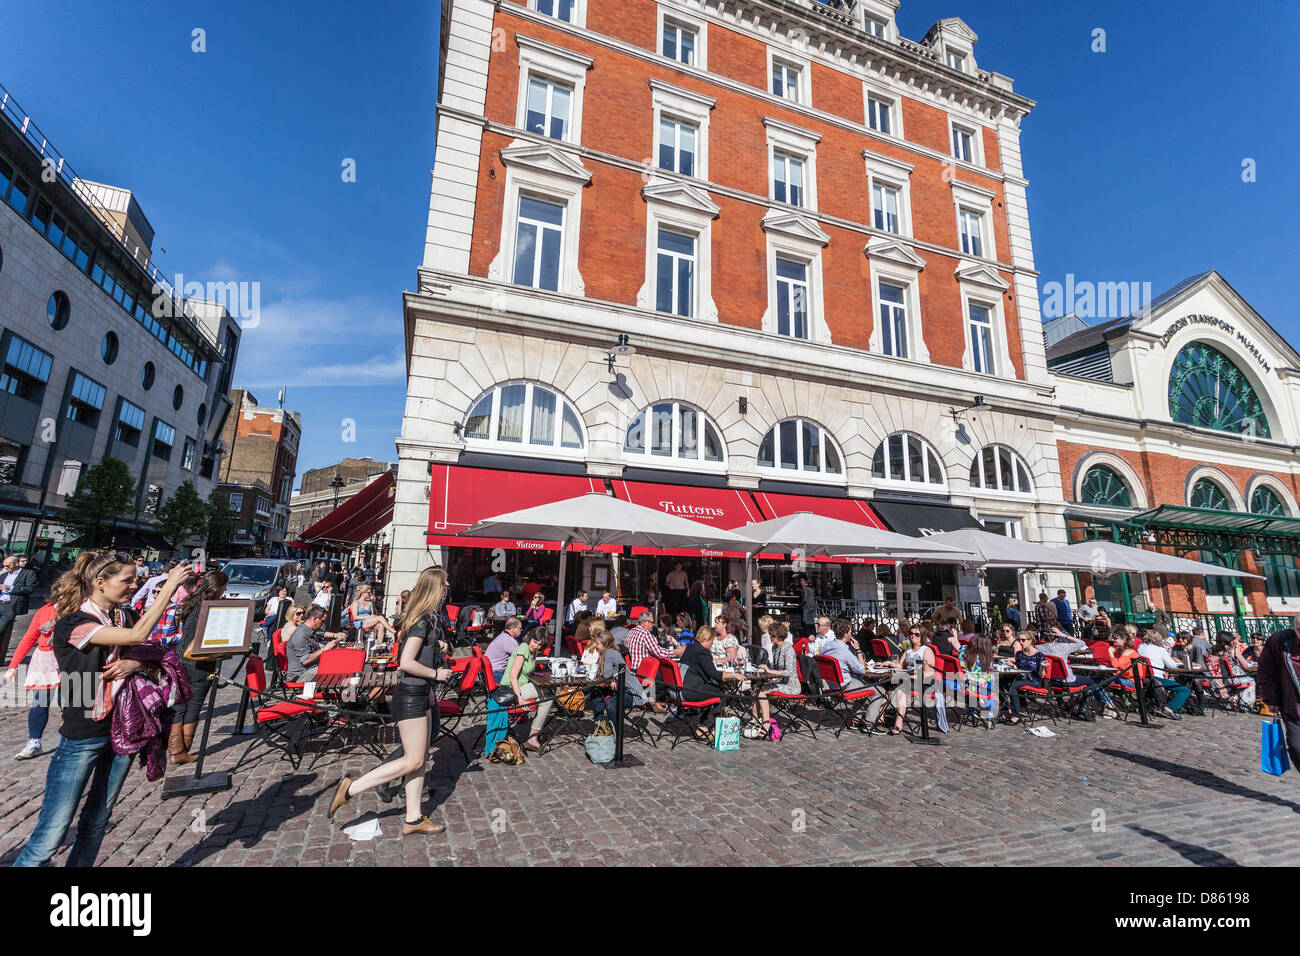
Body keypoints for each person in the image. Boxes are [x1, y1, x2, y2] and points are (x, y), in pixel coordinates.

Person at [13, 556, 190, 867]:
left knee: (96, 824)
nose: (134, 585)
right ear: (100, 583)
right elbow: (136, 638)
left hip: (123, 730)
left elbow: (153, 651)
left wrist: (136, 663)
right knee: (50, 836)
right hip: (83, 734)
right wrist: (169, 587)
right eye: (128, 580)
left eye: (136, 579)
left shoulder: (126, 615)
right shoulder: (74, 622)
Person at [329, 566, 454, 836]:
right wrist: (436, 674)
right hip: (410, 695)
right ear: (434, 587)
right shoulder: (421, 620)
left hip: (422, 692)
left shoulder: (429, 619)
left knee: (419, 761)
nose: (447, 590)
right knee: (412, 760)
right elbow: (406, 662)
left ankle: (413, 818)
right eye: (444, 585)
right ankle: (351, 788)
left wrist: (436, 659)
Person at [169, 569, 229, 764]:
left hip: (181, 658)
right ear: (217, 587)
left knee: (179, 705)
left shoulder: (192, 601)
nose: (225, 589)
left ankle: (175, 751)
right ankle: (181, 752)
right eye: (224, 586)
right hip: (201, 661)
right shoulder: (213, 606)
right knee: (194, 705)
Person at [4, 600, 61, 760]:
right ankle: (34, 742)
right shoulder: (45, 610)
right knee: (40, 700)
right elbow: (29, 637)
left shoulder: (82, 608)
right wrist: (13, 666)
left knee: (69, 701)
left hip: (70, 658)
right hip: (45, 658)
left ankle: (68, 743)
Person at [1257, 616, 1300, 768]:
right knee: (1296, 747)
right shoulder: (1281, 642)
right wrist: (1271, 699)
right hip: (1293, 707)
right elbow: (1267, 671)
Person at [744, 621, 799, 739]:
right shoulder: (774, 648)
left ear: (780, 636)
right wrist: (769, 674)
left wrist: (769, 671)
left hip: (791, 684)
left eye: (773, 636)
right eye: (770, 635)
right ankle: (754, 719)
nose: (770, 638)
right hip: (779, 681)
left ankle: (766, 723)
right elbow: (775, 668)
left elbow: (790, 672)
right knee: (756, 687)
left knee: (762, 691)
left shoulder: (789, 650)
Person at [504, 626, 553, 752]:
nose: (536, 646)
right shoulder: (523, 649)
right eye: (535, 642)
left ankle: (534, 736)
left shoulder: (533, 652)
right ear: (530, 638)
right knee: (548, 697)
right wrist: (520, 698)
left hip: (521, 685)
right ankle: (533, 737)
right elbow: (513, 676)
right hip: (511, 689)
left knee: (548, 696)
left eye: (539, 645)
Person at [678, 625, 726, 742]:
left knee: (712, 689)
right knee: (721, 693)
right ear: (706, 640)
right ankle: (707, 726)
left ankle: (698, 721)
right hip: (690, 691)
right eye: (712, 641)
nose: (712, 644)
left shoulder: (691, 648)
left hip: (679, 689)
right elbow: (715, 675)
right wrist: (734, 675)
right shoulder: (702, 652)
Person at [624, 610, 678, 712]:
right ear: (645, 622)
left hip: (633, 669)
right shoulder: (645, 634)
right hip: (644, 671)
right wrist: (676, 652)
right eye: (652, 622)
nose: (653, 625)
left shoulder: (630, 632)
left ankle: (650, 699)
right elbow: (659, 652)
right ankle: (654, 701)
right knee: (666, 673)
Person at [888, 626, 936, 734]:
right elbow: (901, 664)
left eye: (917, 634)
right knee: (886, 684)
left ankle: (898, 723)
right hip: (909, 679)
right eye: (911, 633)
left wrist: (910, 676)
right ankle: (879, 718)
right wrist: (890, 663)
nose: (913, 636)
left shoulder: (926, 650)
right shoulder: (909, 649)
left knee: (901, 690)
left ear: (922, 636)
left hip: (924, 681)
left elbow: (928, 672)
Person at [590, 630, 645, 722]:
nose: (595, 646)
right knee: (596, 695)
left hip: (632, 693)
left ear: (605, 644)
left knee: (611, 702)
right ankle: (600, 726)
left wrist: (611, 680)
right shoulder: (605, 653)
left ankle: (615, 731)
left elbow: (607, 674)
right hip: (621, 688)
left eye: (597, 643)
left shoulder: (609, 653)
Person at [285, 604, 345, 684]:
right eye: (323, 621)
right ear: (315, 619)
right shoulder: (301, 635)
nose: (323, 624)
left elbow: (321, 638)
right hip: (301, 674)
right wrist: (324, 649)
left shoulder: (309, 630)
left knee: (340, 662)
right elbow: (305, 660)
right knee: (336, 668)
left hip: (311, 668)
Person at [1135, 634, 1192, 718]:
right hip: (1156, 678)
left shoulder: (1140, 647)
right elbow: (1172, 666)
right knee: (1184, 690)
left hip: (1143, 677)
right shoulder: (1160, 650)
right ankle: (1170, 708)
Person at [1206, 631, 1256, 710]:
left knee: (1242, 682)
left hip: (1220, 678)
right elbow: (1245, 665)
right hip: (1233, 677)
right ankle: (1244, 705)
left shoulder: (1212, 650)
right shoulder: (1232, 649)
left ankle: (1233, 701)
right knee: (1252, 682)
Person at [0, 555, 23, 664]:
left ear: (16, 564)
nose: (6, 568)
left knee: (2, 629)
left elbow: (29, 588)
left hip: (10, 606)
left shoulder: (27, 574)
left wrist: (10, 588)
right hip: (0, 603)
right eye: (4, 566)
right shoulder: (4, 575)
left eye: (8, 565)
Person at [485, 617, 522, 682]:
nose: (521, 630)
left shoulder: (502, 635)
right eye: (520, 628)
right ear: (513, 629)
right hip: (495, 673)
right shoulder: (509, 640)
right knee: (522, 678)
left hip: (488, 671)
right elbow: (522, 657)